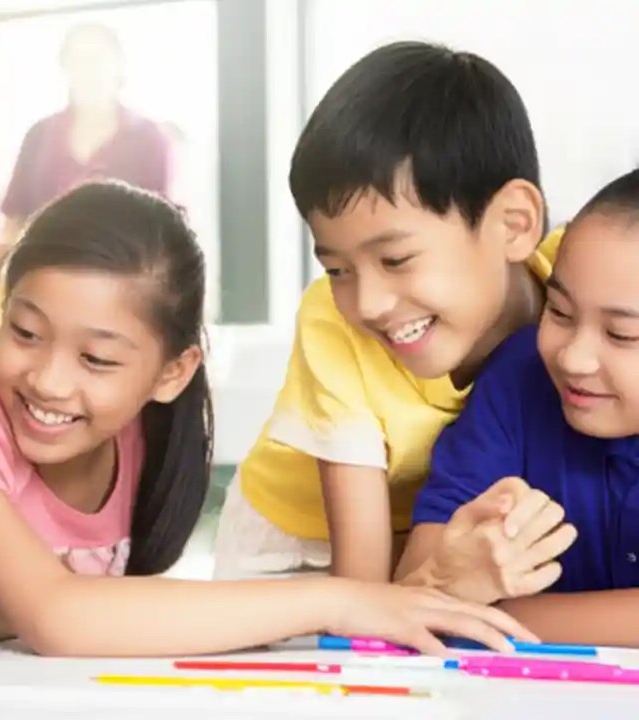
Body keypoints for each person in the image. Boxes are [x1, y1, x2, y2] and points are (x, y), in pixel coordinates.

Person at [0, 180, 533, 658]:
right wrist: (341, 598)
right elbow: (57, 617)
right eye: (25, 332)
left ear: (172, 373)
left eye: (96, 358)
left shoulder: (140, 437)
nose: (49, 380)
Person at [214, 41, 562, 583]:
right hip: (301, 551)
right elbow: (362, 594)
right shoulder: (334, 327)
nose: (368, 304)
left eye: (395, 259)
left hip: (443, 543)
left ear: (514, 225)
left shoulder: (581, 273)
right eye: (336, 269)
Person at [397, 168, 639, 646]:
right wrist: (449, 590)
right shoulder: (520, 378)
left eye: (621, 334)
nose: (573, 357)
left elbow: (447, 613)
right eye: (560, 313)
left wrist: (486, 610)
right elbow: (414, 595)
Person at [0, 22, 171, 326]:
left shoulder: (148, 138)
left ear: (119, 65)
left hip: (121, 292)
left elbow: (168, 230)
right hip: (44, 287)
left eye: (98, 58)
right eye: (78, 59)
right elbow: (12, 221)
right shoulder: (41, 136)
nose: (88, 69)